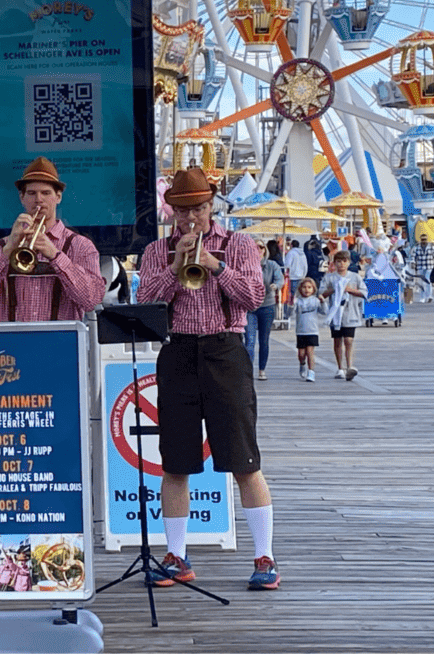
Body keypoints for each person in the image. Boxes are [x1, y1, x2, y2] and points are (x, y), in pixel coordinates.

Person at [137, 167, 280, 591]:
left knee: (243, 460)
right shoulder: (155, 250)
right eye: (183, 210)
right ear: (172, 211)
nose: (190, 218)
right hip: (178, 350)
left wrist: (214, 266)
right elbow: (146, 301)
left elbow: (255, 298)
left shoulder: (238, 245)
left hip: (225, 350)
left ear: (211, 205)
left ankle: (265, 555)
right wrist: (178, 263)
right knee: (176, 462)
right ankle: (177, 555)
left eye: (198, 208)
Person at [0, 157, 105, 321]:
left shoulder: (81, 246)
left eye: (46, 193)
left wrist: (55, 255)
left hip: (60, 344)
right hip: (13, 343)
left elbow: (92, 300)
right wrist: (8, 250)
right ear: (22, 198)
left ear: (58, 197)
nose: (39, 199)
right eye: (32, 193)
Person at [320, 250, 367, 381]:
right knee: (337, 340)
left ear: (349, 263)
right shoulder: (329, 277)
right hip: (335, 314)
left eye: (344, 261)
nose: (341, 264)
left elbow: (364, 292)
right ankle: (340, 367)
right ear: (334, 263)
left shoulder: (355, 277)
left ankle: (350, 366)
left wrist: (349, 290)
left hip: (350, 312)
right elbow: (321, 294)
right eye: (339, 261)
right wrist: (334, 289)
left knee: (349, 340)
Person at [245, 242, 284, 381]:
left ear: (265, 250)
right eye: (255, 246)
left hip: (267, 306)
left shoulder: (271, 265)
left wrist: (276, 285)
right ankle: (248, 371)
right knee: (249, 340)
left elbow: (280, 279)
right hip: (250, 308)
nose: (258, 249)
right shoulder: (246, 264)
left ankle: (262, 370)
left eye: (261, 247)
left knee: (264, 340)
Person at [293, 278, 322, 382]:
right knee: (301, 354)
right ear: (300, 289)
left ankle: (311, 372)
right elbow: (290, 313)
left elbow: (324, 311)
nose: (307, 289)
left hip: (312, 330)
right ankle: (302, 364)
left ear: (313, 289)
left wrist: (323, 302)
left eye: (309, 287)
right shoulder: (298, 301)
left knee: (310, 351)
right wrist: (291, 304)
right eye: (304, 287)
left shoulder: (315, 300)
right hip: (301, 331)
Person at [410, 234, 434, 303]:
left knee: (428, 280)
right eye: (422, 240)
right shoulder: (416, 248)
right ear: (420, 240)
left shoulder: (432, 247)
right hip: (420, 266)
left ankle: (429, 296)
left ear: (427, 239)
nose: (423, 241)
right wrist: (413, 262)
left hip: (429, 266)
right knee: (421, 282)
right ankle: (422, 297)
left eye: (425, 239)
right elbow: (413, 256)